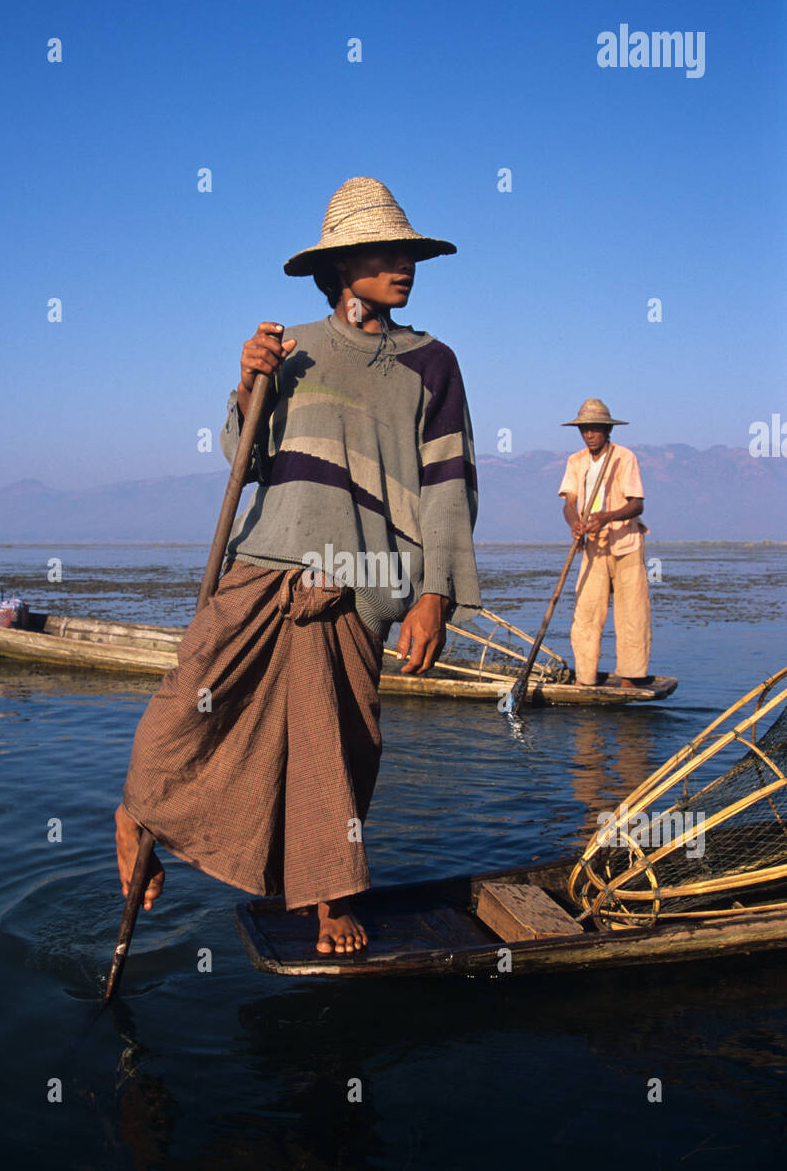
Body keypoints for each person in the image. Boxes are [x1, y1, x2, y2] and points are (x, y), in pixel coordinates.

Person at [114, 176, 482, 954]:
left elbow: (449, 487)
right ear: (337, 271)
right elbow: (242, 458)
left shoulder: (433, 365)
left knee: (336, 750)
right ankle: (141, 811)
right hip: (264, 565)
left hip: (359, 582)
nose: (401, 265)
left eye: (407, 253)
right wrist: (250, 384)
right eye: (381, 253)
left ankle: (329, 897)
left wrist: (435, 597)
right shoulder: (293, 349)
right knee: (184, 710)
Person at [558, 398, 650, 689]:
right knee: (586, 611)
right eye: (584, 429)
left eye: (595, 429)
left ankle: (631, 678)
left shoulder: (624, 457)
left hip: (626, 544)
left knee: (631, 612)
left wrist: (607, 517)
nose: (589, 434)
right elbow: (569, 502)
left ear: (607, 430)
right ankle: (585, 679)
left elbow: (637, 504)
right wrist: (575, 524)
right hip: (593, 546)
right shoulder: (576, 461)